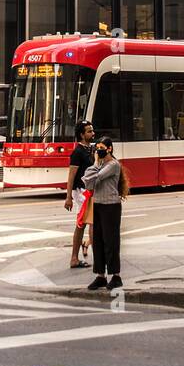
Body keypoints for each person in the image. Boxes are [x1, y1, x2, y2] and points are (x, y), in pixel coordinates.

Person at [82, 135, 129, 291]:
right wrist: (95, 165)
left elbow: (97, 177)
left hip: (111, 206)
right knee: (98, 241)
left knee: (111, 241)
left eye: (102, 148)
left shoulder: (114, 165)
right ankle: (100, 275)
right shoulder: (100, 165)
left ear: (110, 149)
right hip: (99, 204)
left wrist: (95, 163)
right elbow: (88, 181)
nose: (99, 151)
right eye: (98, 148)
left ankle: (116, 276)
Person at [64, 120, 95, 268]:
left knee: (84, 224)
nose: (92, 133)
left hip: (89, 191)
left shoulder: (90, 149)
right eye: (89, 131)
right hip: (81, 192)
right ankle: (75, 258)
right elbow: (71, 176)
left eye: (92, 130)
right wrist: (68, 197)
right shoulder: (78, 152)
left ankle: (76, 258)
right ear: (81, 135)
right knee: (87, 223)